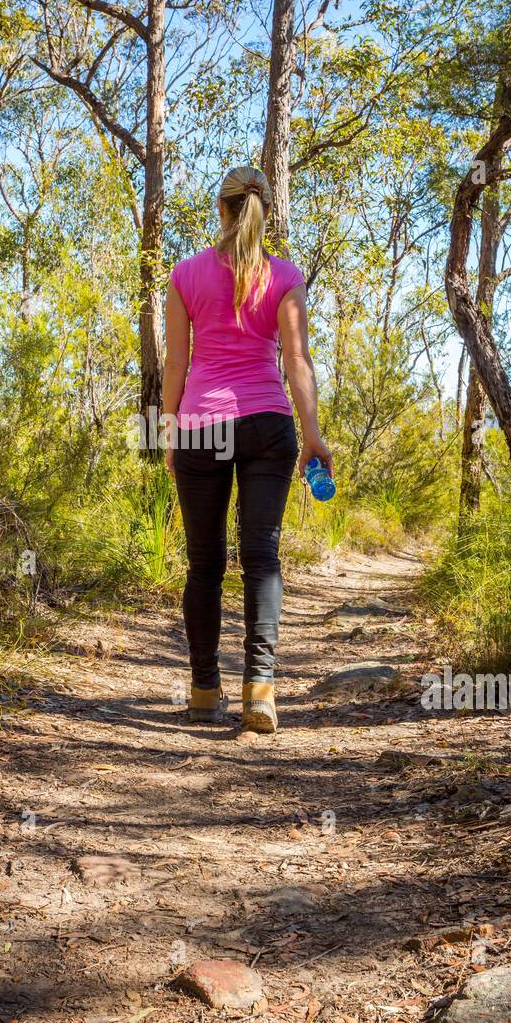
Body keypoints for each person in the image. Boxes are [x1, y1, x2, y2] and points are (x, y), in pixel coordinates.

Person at [163, 165, 333, 735]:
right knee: (261, 556)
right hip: (267, 423)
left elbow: (176, 365)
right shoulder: (284, 276)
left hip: (201, 426)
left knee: (205, 563)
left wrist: (170, 431)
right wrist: (313, 436)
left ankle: (204, 691)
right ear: (265, 210)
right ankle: (260, 692)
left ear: (222, 209)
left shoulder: (185, 275)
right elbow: (297, 361)